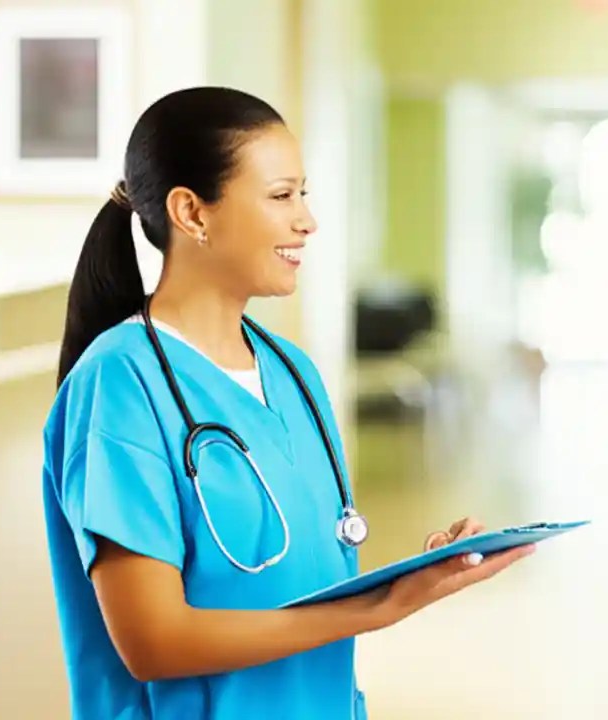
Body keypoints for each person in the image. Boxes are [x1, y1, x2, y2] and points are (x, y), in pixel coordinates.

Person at [42, 86, 532, 720]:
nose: (307, 221)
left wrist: (411, 578)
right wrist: (378, 608)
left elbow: (297, 582)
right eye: (281, 196)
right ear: (191, 212)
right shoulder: (119, 381)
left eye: (304, 194)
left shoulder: (292, 372)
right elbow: (154, 642)